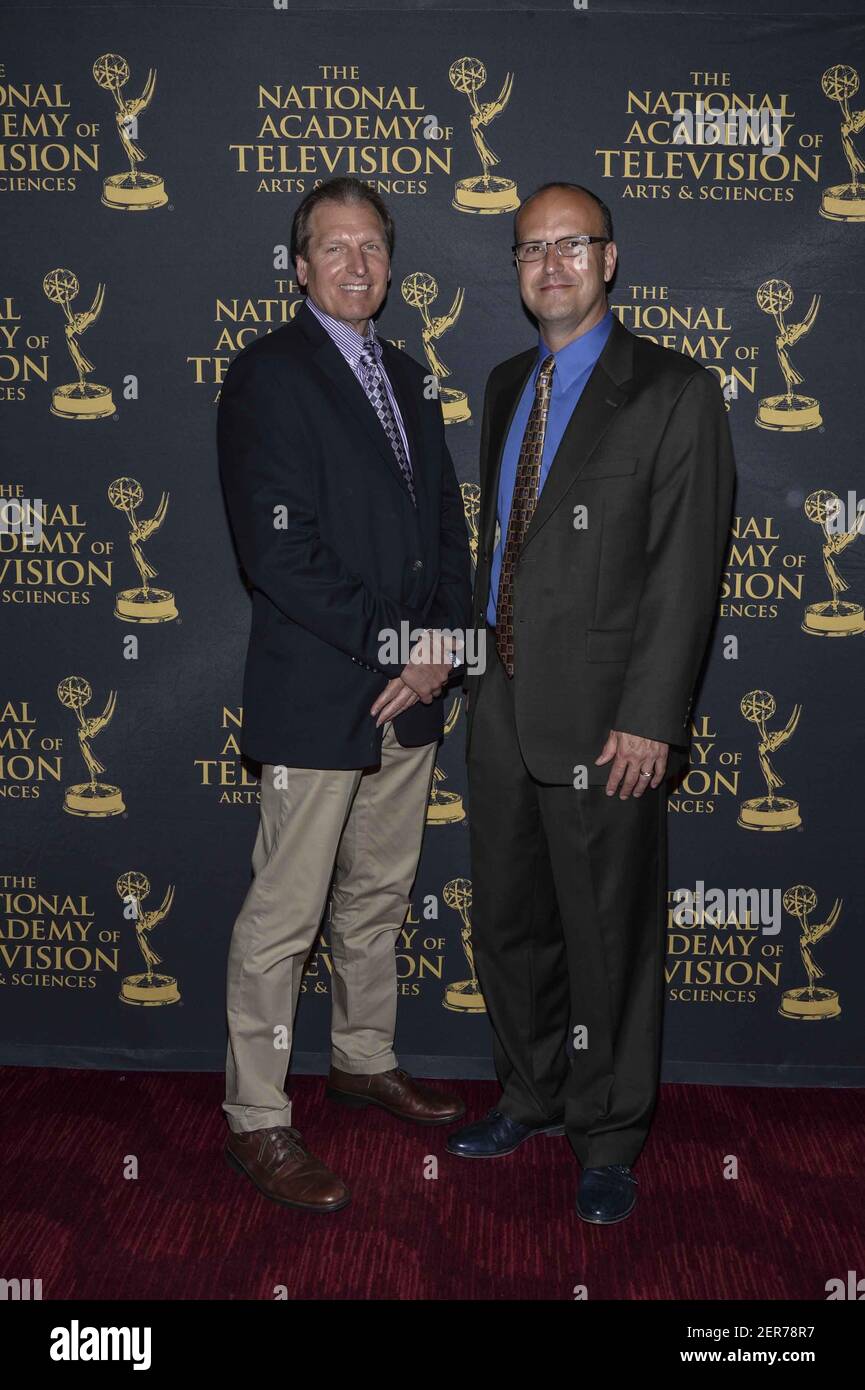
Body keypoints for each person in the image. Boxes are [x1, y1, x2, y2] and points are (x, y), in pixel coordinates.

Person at [447, 182, 736, 1224]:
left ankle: (608, 1133)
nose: (552, 265)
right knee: (510, 923)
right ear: (516, 270)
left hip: (610, 720)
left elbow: (683, 571)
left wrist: (653, 715)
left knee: (608, 932)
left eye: (573, 245)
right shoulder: (499, 386)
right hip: (500, 705)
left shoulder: (671, 389)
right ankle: (530, 1092)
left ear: (610, 261)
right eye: (532, 250)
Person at [218, 176, 472, 1213]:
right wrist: (395, 646)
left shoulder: (409, 378)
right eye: (335, 246)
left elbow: (449, 535)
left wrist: (441, 650)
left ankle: (362, 1057)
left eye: (372, 246)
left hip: (411, 694)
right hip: (322, 693)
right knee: (283, 918)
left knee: (376, 897)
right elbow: (279, 554)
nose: (357, 263)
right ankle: (256, 1118)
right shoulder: (268, 375)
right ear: (298, 267)